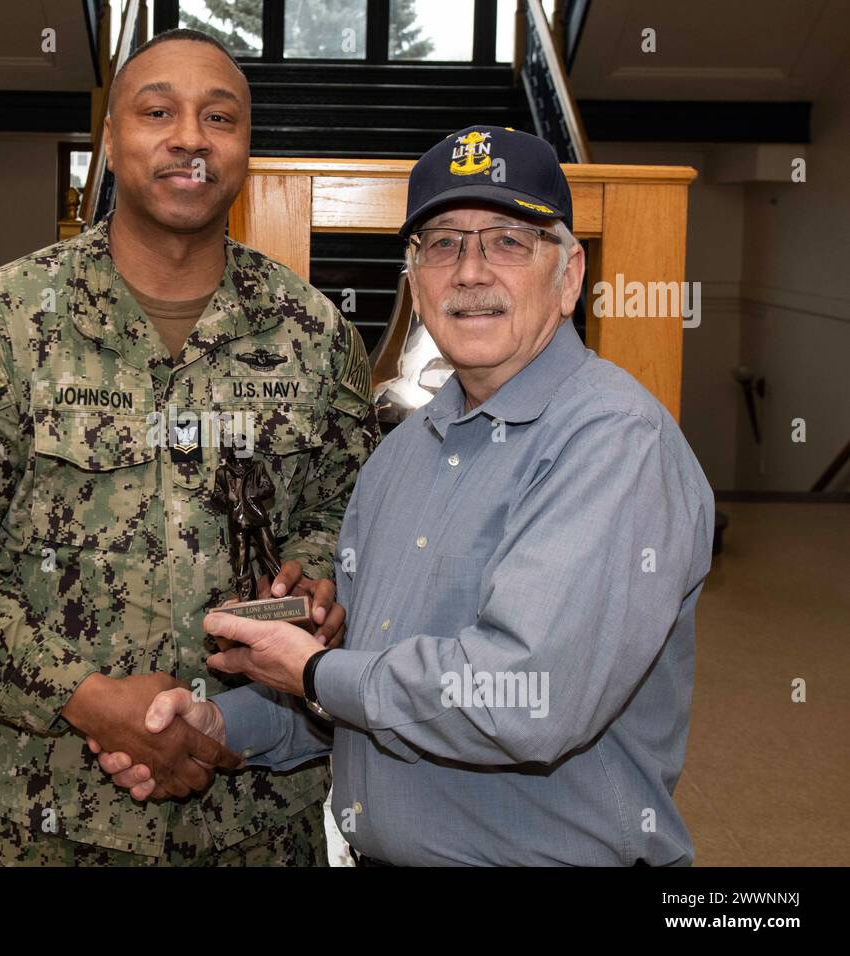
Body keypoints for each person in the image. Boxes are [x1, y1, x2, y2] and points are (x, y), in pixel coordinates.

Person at [94, 126, 715, 867]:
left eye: (509, 241)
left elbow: (526, 698)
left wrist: (314, 671)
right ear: (415, 281)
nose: (470, 272)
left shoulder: (613, 443)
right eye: (443, 244)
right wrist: (219, 726)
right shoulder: (399, 459)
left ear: (570, 273)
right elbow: (363, 691)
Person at [0, 29, 378, 866]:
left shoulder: (315, 336)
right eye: (158, 112)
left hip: (256, 806)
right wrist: (85, 699)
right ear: (110, 143)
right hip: (46, 815)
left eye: (219, 117)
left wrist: (314, 576)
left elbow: (345, 509)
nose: (191, 136)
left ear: (244, 149)